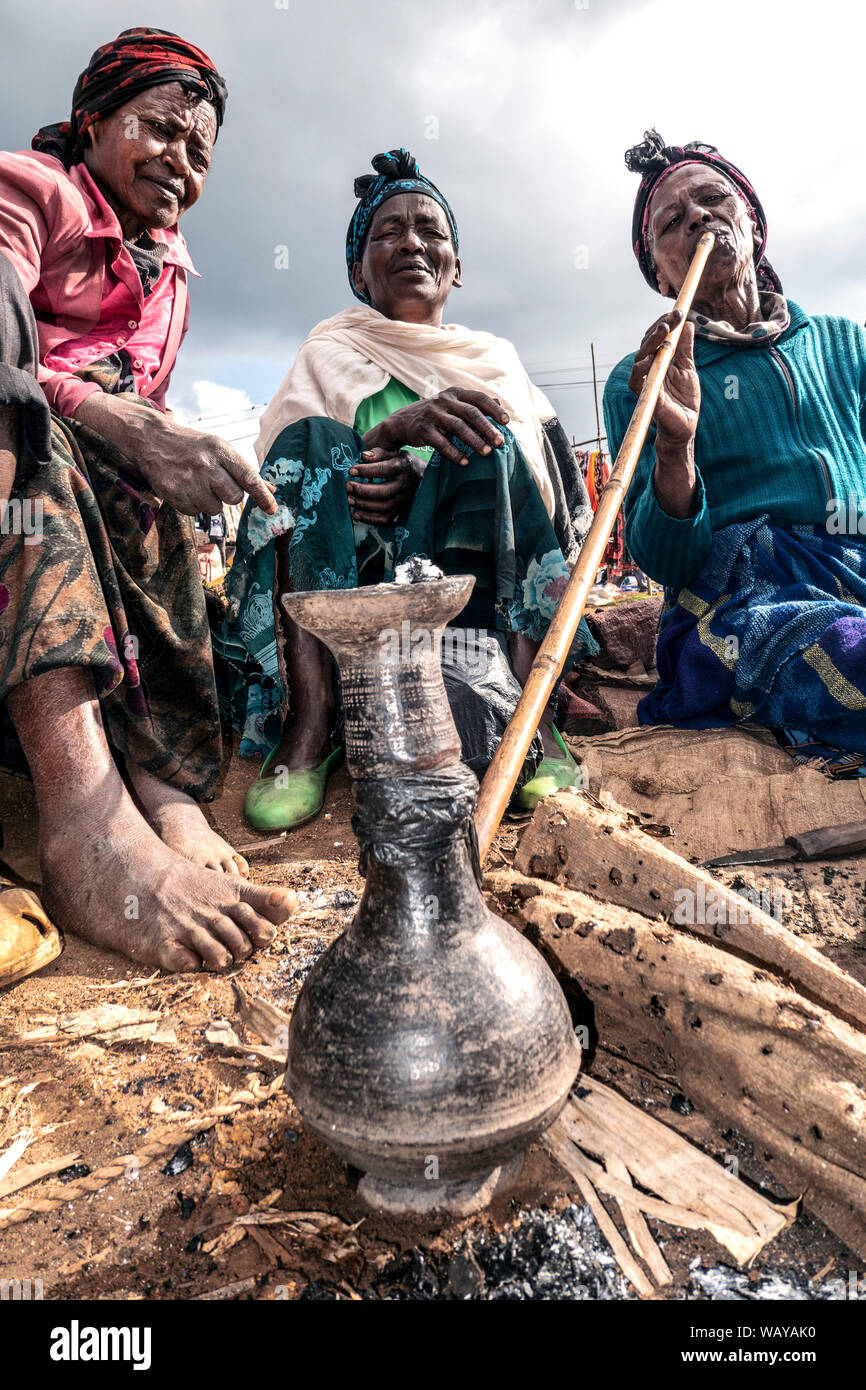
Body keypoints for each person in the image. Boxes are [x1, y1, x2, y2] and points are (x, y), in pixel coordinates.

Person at [0, 28, 295, 980]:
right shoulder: (28, 191)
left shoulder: (171, 273)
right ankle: (85, 820)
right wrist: (109, 418)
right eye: (159, 129)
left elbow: (146, 420)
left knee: (156, 490)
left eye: (200, 150)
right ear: (92, 122)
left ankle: (160, 779)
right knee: (31, 436)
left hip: (95, 509)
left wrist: (162, 447)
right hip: (20, 492)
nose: (180, 160)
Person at [218, 149, 597, 831]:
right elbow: (288, 492)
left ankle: (528, 715)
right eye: (386, 232)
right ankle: (313, 722)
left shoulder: (496, 361)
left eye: (431, 230)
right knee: (308, 443)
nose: (412, 243)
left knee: (492, 436)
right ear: (357, 270)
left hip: (466, 585)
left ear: (458, 263)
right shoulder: (328, 353)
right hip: (357, 589)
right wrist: (384, 438)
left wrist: (424, 475)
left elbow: (557, 508)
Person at [603, 132, 866, 773]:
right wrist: (675, 444)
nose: (697, 217)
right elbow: (668, 562)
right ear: (661, 276)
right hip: (749, 590)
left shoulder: (843, 342)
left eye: (714, 199)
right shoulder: (642, 378)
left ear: (753, 223)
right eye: (672, 222)